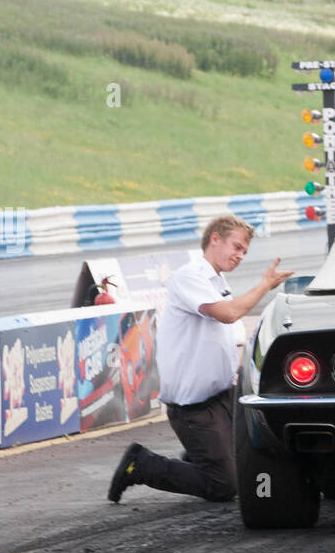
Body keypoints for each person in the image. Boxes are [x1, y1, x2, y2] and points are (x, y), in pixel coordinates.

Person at [108, 215, 293, 503]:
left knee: (255, 459)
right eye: (237, 247)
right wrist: (264, 285)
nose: (240, 255)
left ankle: (197, 457)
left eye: (244, 251)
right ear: (215, 239)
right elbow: (229, 314)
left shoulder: (216, 278)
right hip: (194, 407)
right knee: (224, 486)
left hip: (224, 395)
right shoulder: (189, 276)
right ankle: (141, 464)